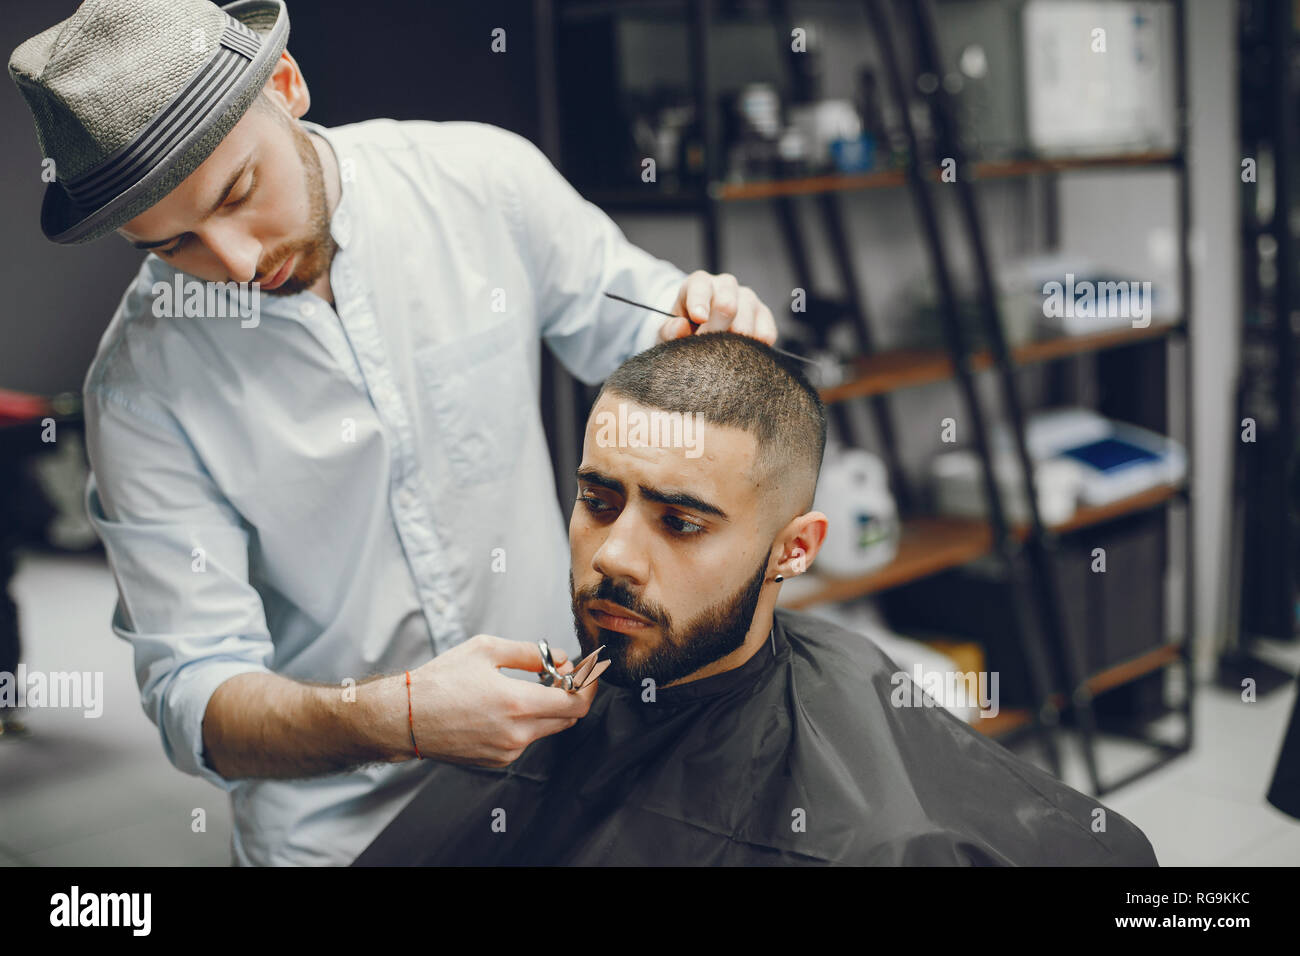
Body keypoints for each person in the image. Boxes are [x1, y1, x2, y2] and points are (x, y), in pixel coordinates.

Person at [8, 0, 778, 865]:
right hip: (341, 836)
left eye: (239, 192)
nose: (233, 263)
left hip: (569, 772)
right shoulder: (139, 391)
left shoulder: (484, 183)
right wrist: (403, 718)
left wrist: (707, 324)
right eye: (173, 244)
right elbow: (199, 700)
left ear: (287, 85)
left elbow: (642, 330)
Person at [355, 333, 1159, 865]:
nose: (615, 556)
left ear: (796, 549)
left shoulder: (879, 837)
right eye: (598, 501)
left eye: (680, 521)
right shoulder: (525, 730)